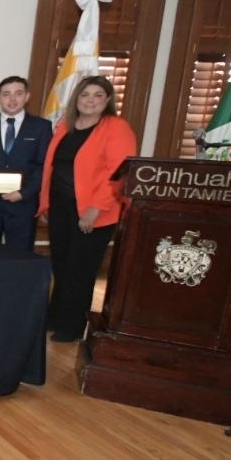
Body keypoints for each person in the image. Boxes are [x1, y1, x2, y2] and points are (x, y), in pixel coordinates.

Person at [38, 75, 137, 342]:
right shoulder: (66, 126)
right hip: (61, 208)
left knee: (80, 270)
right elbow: (53, 167)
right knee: (61, 265)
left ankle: (72, 326)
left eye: (97, 95)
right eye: (85, 95)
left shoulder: (116, 128)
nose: (90, 100)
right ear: (76, 99)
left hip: (94, 213)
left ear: (107, 100)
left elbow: (119, 174)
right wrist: (46, 203)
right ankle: (56, 316)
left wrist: (94, 209)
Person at [0, 75, 53, 252]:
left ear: (27, 96)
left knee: (20, 258)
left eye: (18, 93)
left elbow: (44, 166)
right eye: (6, 94)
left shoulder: (41, 127)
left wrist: (24, 193)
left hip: (23, 206)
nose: (12, 99)